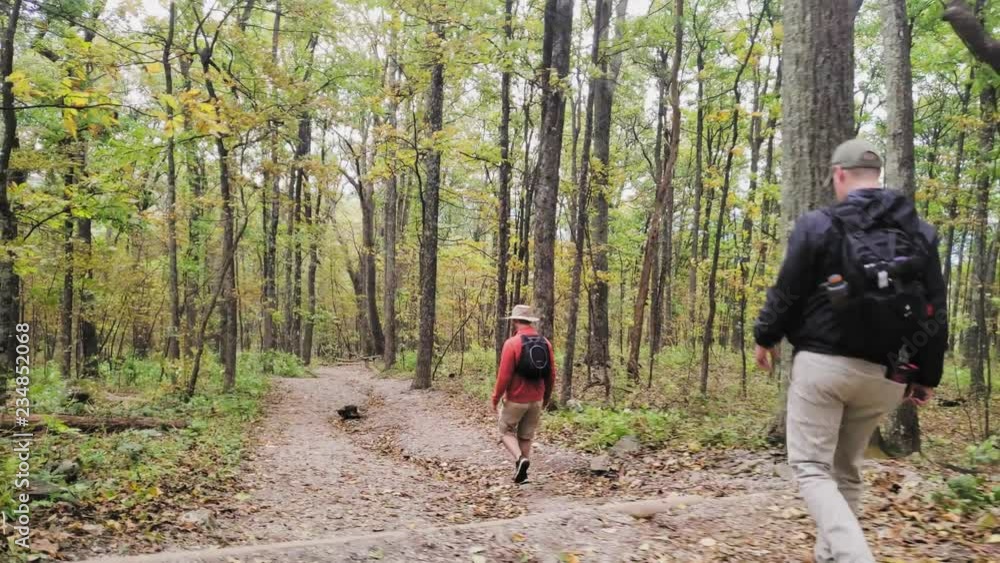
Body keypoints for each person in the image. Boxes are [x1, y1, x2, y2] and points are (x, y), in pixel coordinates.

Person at [753, 138, 948, 563]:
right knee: (847, 471)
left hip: (822, 367)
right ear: (878, 178)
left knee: (810, 467)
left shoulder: (819, 225)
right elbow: (935, 309)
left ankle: (855, 556)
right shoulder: (919, 232)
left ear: (840, 175)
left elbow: (788, 291)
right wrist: (926, 375)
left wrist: (765, 335)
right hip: (887, 375)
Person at [491, 304, 556, 484]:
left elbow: (504, 376)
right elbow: (552, 374)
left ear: (514, 322)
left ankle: (521, 459)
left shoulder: (512, 344)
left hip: (516, 400)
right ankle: (523, 475)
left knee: (505, 431)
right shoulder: (545, 343)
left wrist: (495, 399)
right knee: (526, 436)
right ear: (530, 321)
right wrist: (546, 397)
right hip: (536, 399)